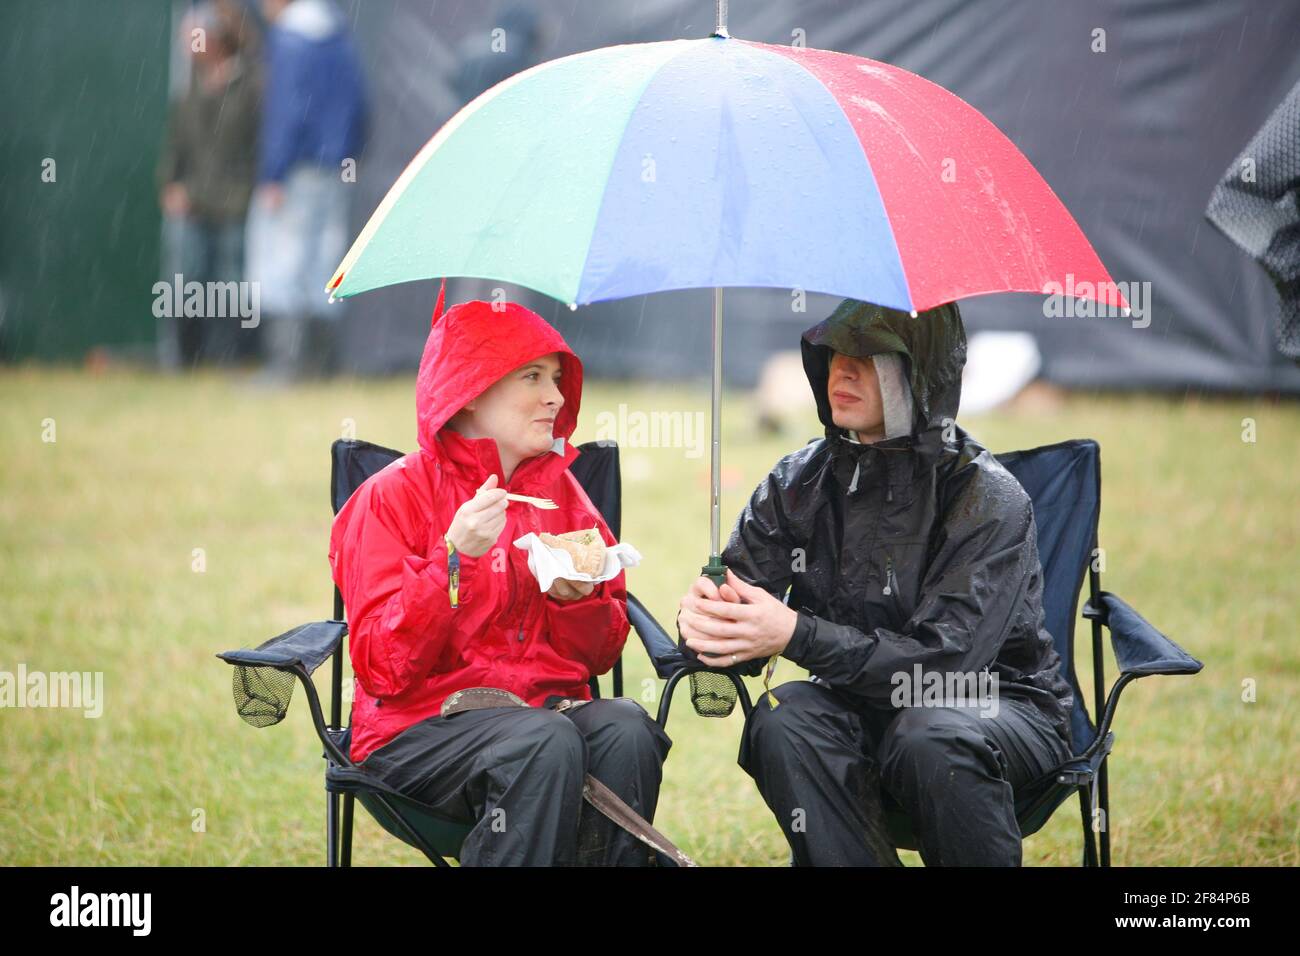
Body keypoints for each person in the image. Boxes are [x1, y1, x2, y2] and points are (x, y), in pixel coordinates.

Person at [676, 298, 1075, 866]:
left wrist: (795, 634)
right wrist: (709, 621)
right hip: (865, 708)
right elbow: (736, 637)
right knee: (784, 715)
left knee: (928, 733)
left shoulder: (984, 496)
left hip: (995, 709)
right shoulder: (799, 481)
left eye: (869, 354)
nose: (843, 368)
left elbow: (944, 670)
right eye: (837, 350)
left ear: (921, 371)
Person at [328, 290, 671, 866]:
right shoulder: (391, 496)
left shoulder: (563, 495)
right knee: (546, 739)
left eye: (557, 378)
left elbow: (600, 657)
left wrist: (578, 601)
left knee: (626, 728)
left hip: (543, 718)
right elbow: (381, 665)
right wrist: (452, 560)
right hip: (418, 732)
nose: (555, 397)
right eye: (532, 377)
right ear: (465, 396)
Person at [246, 0, 367, 381]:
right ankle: (322, 365)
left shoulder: (288, 40)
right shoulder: (341, 39)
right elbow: (362, 104)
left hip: (296, 170)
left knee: (284, 261)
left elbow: (286, 110)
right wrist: (350, 154)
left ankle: (286, 366)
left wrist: (273, 173)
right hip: (333, 171)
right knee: (325, 261)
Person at [156, 1, 259, 369]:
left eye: (194, 38)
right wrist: (170, 186)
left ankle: (228, 359)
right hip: (193, 205)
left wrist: (246, 193)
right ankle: (180, 360)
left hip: (235, 204)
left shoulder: (251, 86)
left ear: (215, 39)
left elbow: (253, 148)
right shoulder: (190, 89)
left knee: (231, 286)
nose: (188, 45)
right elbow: (177, 146)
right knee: (183, 284)